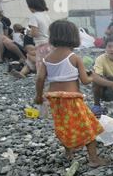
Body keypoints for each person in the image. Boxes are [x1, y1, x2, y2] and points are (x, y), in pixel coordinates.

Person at [35, 20, 108, 167]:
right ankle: (93, 159)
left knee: (63, 125)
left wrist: (38, 96)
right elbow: (85, 80)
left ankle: (68, 153)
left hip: (55, 99)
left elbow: (40, 78)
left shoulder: (47, 59)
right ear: (73, 37)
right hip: (72, 100)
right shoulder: (74, 57)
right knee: (87, 127)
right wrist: (92, 76)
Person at [11, 0, 51, 78]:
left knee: (32, 58)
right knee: (38, 59)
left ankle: (26, 73)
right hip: (48, 42)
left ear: (31, 5)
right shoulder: (46, 15)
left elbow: (35, 33)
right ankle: (23, 73)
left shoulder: (34, 16)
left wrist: (28, 33)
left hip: (40, 43)